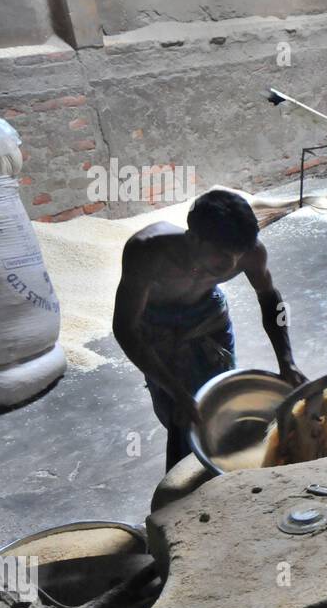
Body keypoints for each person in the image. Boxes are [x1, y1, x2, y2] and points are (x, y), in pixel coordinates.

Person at [113, 189, 306, 472]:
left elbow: (270, 298)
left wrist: (286, 360)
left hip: (208, 318)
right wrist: (175, 390)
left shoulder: (251, 253)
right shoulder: (148, 251)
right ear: (193, 238)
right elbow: (125, 328)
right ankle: (184, 483)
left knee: (218, 404)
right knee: (180, 414)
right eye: (220, 255)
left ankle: (226, 468)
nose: (229, 265)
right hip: (157, 328)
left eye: (237, 254)